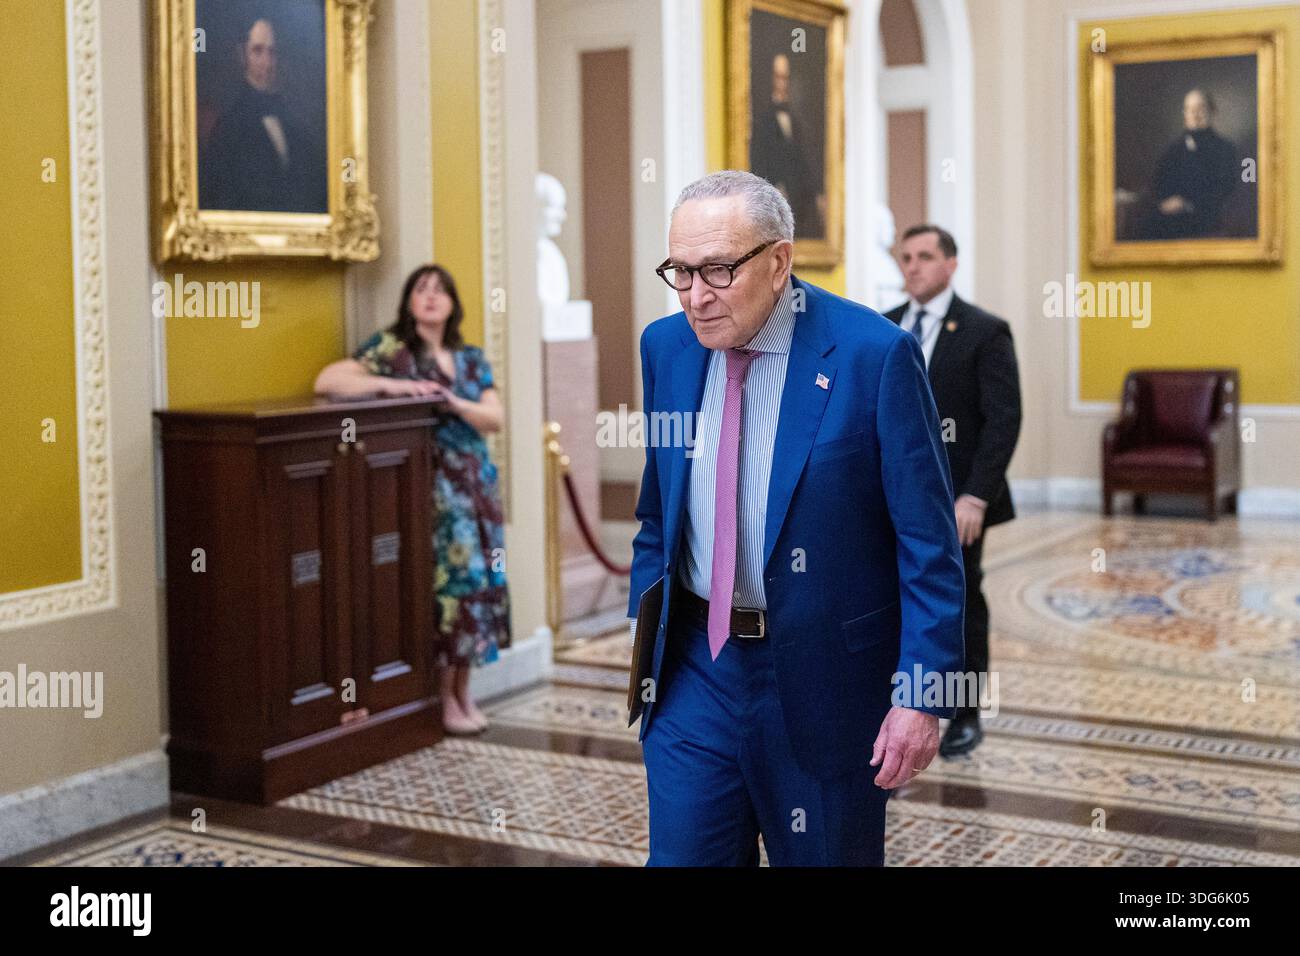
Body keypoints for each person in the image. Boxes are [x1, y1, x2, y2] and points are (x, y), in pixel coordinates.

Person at [631, 171, 965, 866]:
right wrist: (648, 636)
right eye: (681, 271)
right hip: (696, 671)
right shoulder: (665, 348)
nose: (696, 295)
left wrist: (922, 693)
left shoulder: (874, 356)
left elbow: (927, 546)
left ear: (779, 262)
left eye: (719, 270)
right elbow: (658, 515)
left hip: (825, 686)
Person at [314, 265, 509, 736]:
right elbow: (328, 381)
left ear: (452, 303)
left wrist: (455, 403)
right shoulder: (392, 350)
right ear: (408, 301)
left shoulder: (469, 358)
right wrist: (397, 387)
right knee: (454, 590)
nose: (430, 297)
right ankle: (443, 698)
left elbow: (494, 419)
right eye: (421, 289)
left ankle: (465, 692)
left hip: (476, 484)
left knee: (483, 586)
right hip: (434, 488)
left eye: (440, 290)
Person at [884, 224, 1022, 757]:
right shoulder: (887, 327)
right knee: (896, 600)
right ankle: (902, 706)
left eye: (924, 256)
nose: (912, 266)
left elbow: (1003, 420)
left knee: (960, 602)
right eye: (906, 257)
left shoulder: (985, 332)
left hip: (960, 500)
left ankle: (963, 713)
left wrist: (976, 498)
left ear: (951, 264)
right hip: (896, 500)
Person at [200, 16, 328, 213]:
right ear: (242, 55)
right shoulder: (228, 129)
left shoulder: (295, 126)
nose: (267, 63)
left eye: (272, 52)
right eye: (257, 51)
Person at [1132, 88, 1240, 240]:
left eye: (1200, 108)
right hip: (1168, 219)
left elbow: (1226, 190)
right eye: (1189, 109)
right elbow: (1156, 184)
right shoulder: (1173, 150)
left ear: (1212, 111)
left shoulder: (1226, 149)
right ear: (1185, 114)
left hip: (1205, 219)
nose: (1194, 114)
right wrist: (1163, 203)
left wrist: (1188, 204)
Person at [750, 53, 825, 238]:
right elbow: (761, 159)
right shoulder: (763, 118)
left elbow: (803, 160)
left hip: (798, 198)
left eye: (786, 77)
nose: (782, 83)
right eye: (778, 77)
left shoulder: (797, 119)